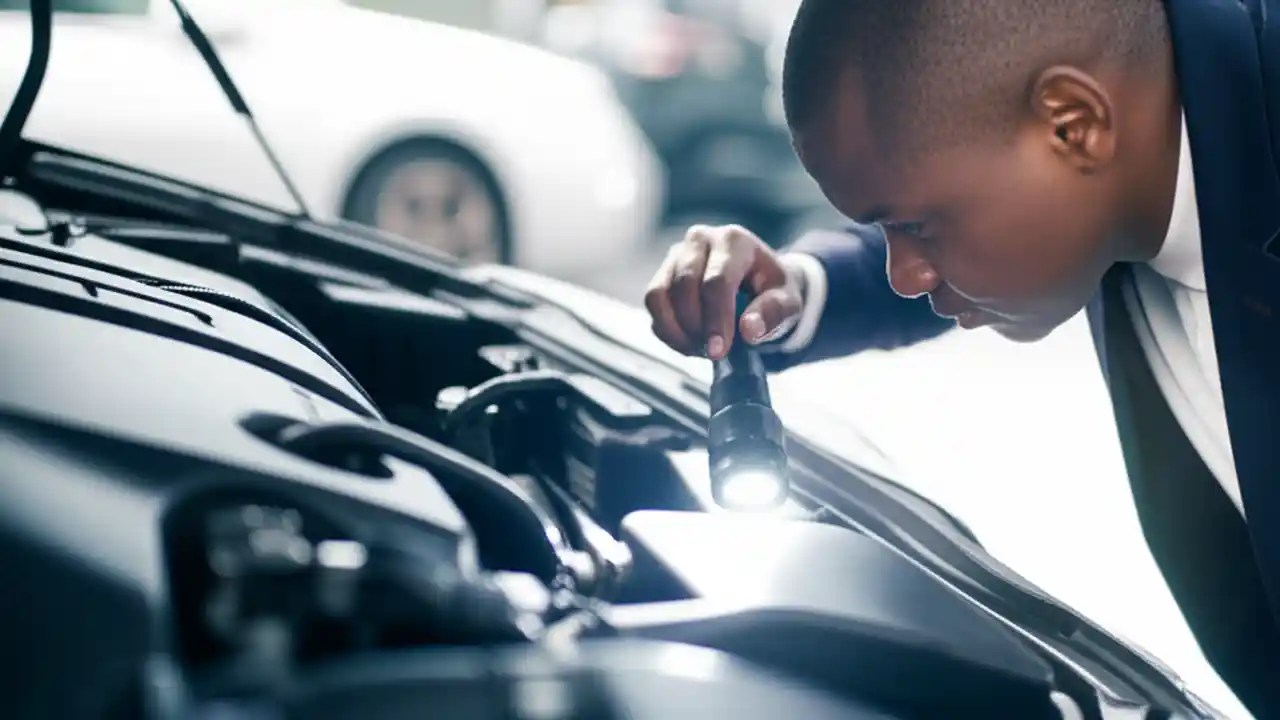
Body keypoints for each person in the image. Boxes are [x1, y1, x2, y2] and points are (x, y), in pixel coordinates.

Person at [642, 0, 1280, 715]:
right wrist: (789, 291)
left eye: (916, 227)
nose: (905, 274)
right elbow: (960, 189)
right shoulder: (1123, 132)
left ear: (1075, 124)